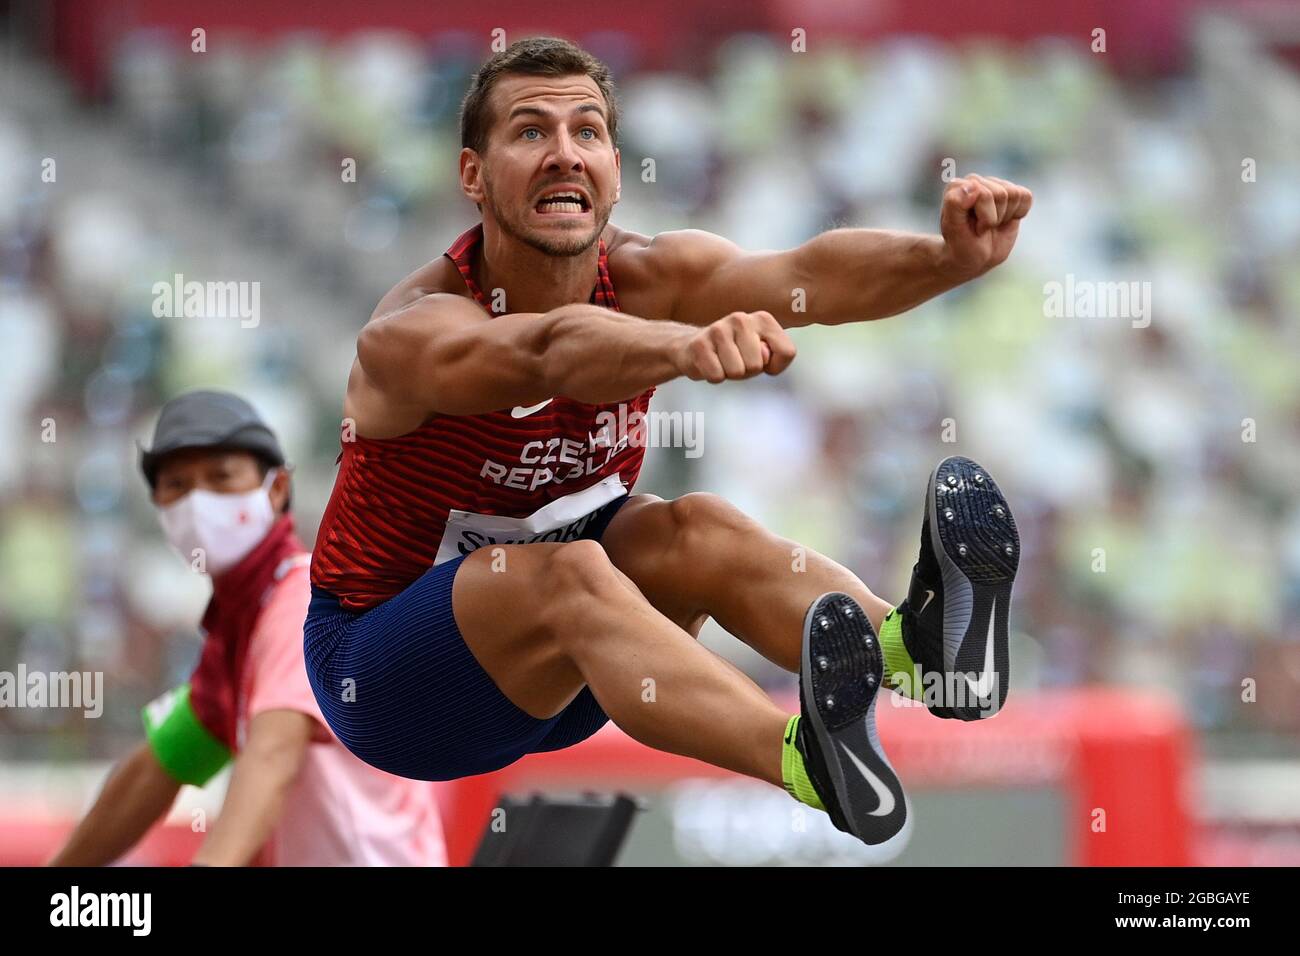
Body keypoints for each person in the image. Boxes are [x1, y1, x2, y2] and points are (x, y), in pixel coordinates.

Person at [305, 37, 1027, 847]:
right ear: (473, 174)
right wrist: (680, 346)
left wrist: (945, 260)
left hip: (585, 669)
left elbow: (810, 278)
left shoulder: (651, 276)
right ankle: (805, 760)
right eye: (530, 133)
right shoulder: (411, 330)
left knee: (691, 527)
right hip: (387, 681)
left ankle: (921, 655)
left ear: (616, 165)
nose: (564, 156)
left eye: (586, 133)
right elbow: (541, 353)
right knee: (569, 569)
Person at [50, 390, 447, 866]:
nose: (198, 502)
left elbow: (272, 756)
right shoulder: (237, 631)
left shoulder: (304, 598)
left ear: (277, 489)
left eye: (221, 478)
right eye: (177, 485)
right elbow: (153, 774)